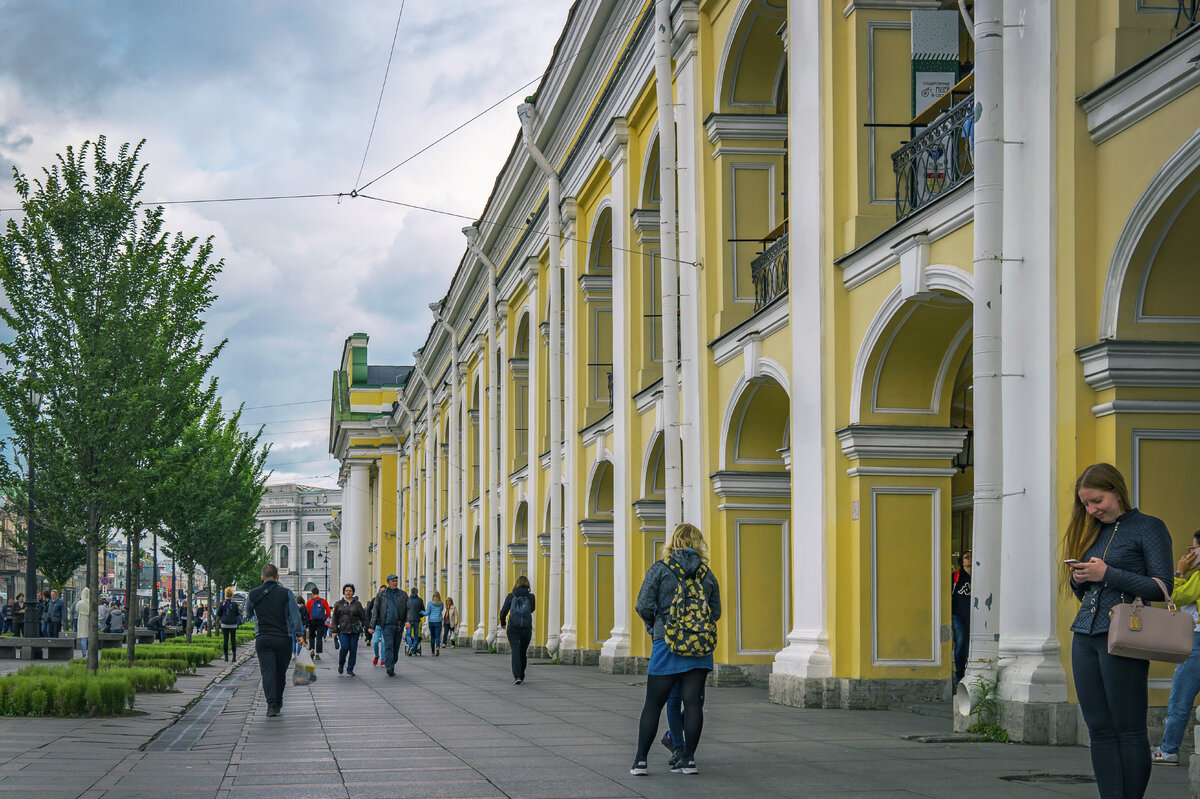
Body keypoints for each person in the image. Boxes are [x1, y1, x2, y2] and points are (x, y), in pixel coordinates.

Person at [1064, 463, 1172, 799]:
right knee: (1099, 729)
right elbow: (1090, 592)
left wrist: (1106, 573)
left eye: (1096, 501)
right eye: (1085, 504)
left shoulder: (1148, 527)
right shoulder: (1093, 532)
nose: (1091, 510)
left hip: (1126, 636)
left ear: (1116, 491)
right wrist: (1079, 579)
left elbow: (1161, 587)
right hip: (1084, 635)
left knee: (1128, 729)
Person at [630, 522, 721, 777]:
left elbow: (643, 605)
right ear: (698, 543)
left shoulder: (660, 569)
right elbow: (716, 612)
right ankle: (689, 759)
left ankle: (640, 762)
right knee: (693, 704)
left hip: (667, 643)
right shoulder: (707, 573)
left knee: (653, 704)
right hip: (699, 647)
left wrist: (655, 626)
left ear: (673, 542)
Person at [1152, 529, 1200, 766]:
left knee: (1180, 698)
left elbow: (1173, 595)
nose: (1189, 553)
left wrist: (1180, 571)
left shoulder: (1198, 578)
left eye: (1193, 549)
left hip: (1197, 644)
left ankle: (1168, 750)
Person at [244, 563, 305, 717]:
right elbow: (294, 615)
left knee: (267, 672)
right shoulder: (286, 593)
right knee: (280, 672)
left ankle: (271, 705)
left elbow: (248, 613)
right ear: (278, 577)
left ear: (262, 577)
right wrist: (299, 634)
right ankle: (278, 701)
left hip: (263, 638)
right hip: (283, 638)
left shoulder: (253, 594)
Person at [369, 574, 408, 677]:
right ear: (388, 582)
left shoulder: (402, 595)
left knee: (396, 647)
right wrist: (372, 626)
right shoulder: (381, 595)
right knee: (389, 645)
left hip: (399, 625)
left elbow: (408, 609)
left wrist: (408, 621)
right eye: (393, 581)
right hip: (386, 625)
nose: (395, 582)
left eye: (396, 581)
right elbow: (375, 610)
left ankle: (392, 663)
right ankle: (389, 666)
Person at [499, 577, 535, 684]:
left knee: (515, 650)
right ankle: (522, 674)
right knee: (522, 651)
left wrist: (503, 623)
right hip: (526, 628)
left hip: (513, 628)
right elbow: (532, 609)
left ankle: (517, 676)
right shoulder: (531, 597)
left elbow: (504, 611)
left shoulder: (511, 596)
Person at [332, 583, 368, 677]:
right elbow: (335, 618)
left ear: (353, 592)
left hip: (354, 630)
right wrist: (334, 630)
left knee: (353, 649)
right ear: (344, 592)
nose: (348, 592)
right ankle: (341, 664)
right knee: (344, 647)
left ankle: (350, 669)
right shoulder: (339, 604)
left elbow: (363, 617)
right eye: (347, 590)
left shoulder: (357, 604)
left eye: (350, 591)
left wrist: (367, 627)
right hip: (343, 629)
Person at [950, 550, 972, 685]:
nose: (969, 559)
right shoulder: (956, 576)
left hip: (974, 616)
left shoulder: (979, 576)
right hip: (957, 614)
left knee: (970, 644)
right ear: (962, 562)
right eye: (966, 557)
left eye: (971, 557)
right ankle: (959, 674)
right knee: (961, 640)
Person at [218, 588, 242, 661]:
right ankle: (234, 657)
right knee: (233, 640)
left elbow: (218, 613)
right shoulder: (234, 604)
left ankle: (226, 657)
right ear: (232, 595)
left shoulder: (222, 603)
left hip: (224, 624)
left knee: (225, 640)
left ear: (225, 595)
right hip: (233, 624)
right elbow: (237, 614)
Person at [306, 588, 330, 660]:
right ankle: (317, 654)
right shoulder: (323, 601)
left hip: (312, 621)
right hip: (320, 621)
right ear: (318, 593)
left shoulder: (309, 602)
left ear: (312, 593)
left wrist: (308, 620)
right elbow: (328, 611)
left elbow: (307, 612)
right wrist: (324, 618)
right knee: (319, 637)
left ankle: (312, 650)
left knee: (311, 636)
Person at [405, 585, 426, 656]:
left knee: (408, 635)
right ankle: (414, 650)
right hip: (417, 620)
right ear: (417, 592)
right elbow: (423, 611)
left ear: (411, 592)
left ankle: (410, 646)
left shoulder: (407, 600)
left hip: (409, 620)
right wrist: (420, 615)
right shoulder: (420, 600)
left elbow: (405, 610)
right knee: (416, 635)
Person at [426, 591, 445, 657]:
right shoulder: (441, 603)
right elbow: (441, 610)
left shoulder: (430, 603)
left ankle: (433, 652)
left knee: (432, 637)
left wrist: (421, 612)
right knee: (437, 637)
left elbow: (427, 613)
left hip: (431, 621)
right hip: (438, 621)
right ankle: (437, 647)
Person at [74, 588, 91, 657]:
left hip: (82, 620)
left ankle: (84, 654)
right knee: (90, 638)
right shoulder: (90, 602)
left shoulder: (80, 603)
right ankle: (90, 652)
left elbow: (76, 609)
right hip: (89, 620)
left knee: (83, 638)